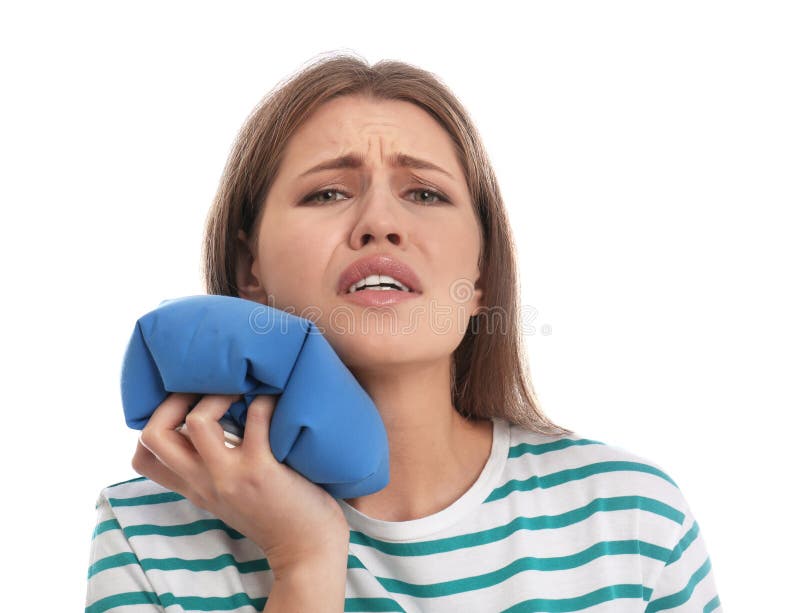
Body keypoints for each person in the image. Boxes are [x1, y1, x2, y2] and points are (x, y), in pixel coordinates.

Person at [85, 53, 722, 612]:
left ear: (480, 276)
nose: (380, 223)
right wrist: (303, 559)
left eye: (424, 195)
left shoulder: (630, 516)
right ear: (251, 269)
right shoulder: (149, 531)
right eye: (329, 192)